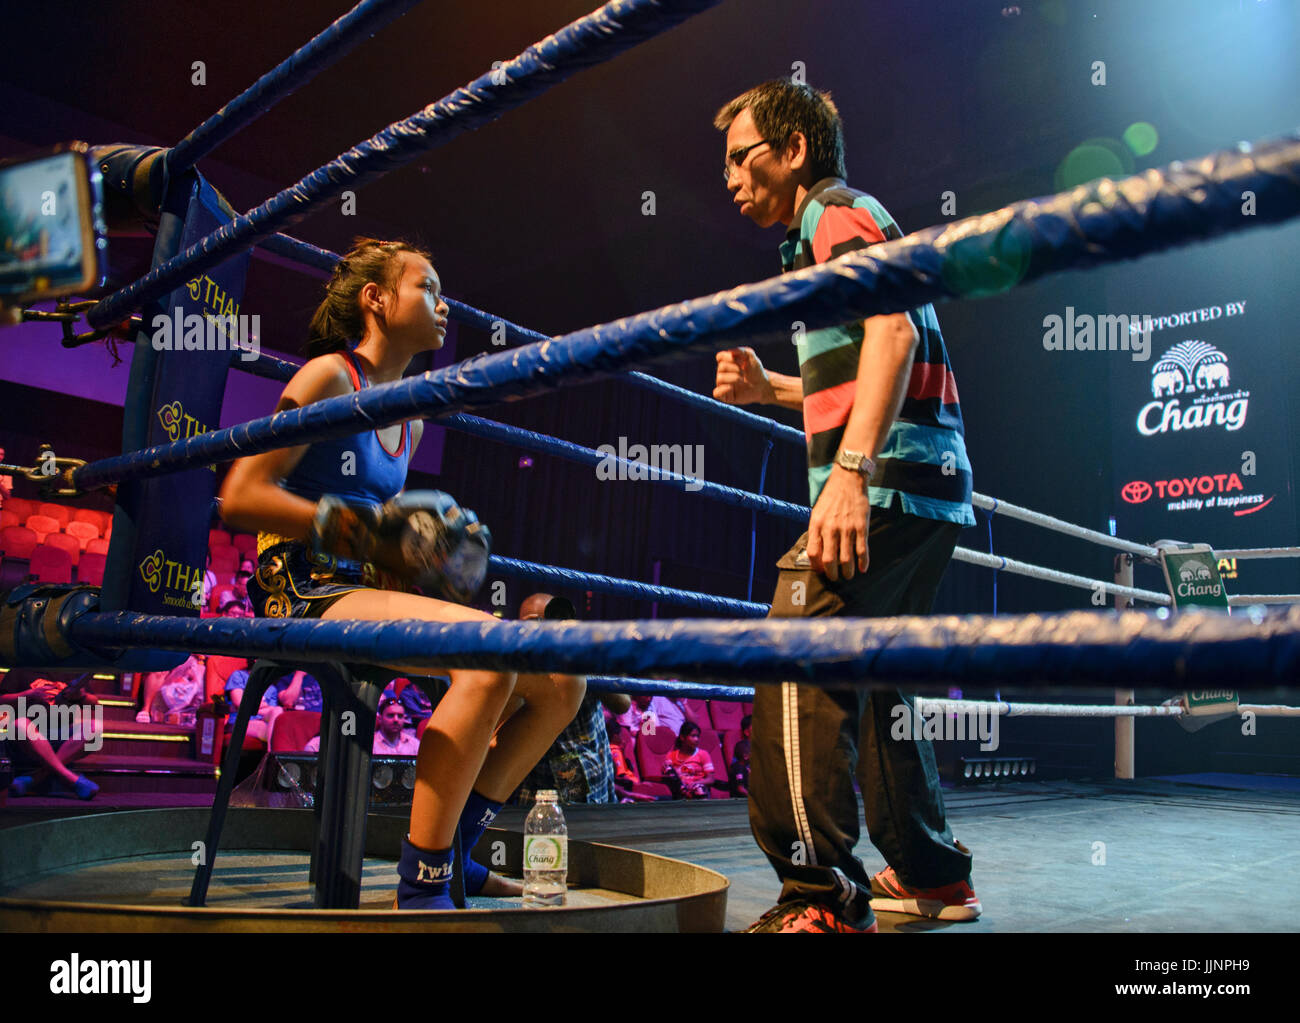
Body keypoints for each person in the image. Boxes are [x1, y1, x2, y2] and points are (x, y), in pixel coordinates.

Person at [218, 237, 586, 908]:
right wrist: (363, 532)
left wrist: (432, 562)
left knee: (562, 679)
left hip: (359, 592)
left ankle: (457, 852)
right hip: (298, 586)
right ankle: (422, 888)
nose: (444, 304)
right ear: (377, 299)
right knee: (489, 657)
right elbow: (241, 494)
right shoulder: (330, 376)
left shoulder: (408, 419)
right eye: (428, 288)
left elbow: (390, 551)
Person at [711, 80, 980, 932]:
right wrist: (776, 389)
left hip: (889, 479)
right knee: (880, 673)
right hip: (928, 483)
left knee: (796, 650)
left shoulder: (835, 211)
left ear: (793, 152)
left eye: (742, 157)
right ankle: (932, 874)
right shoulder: (816, 241)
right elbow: (867, 364)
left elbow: (894, 331)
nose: (728, 178)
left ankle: (820, 895)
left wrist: (852, 474)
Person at [511, 593, 629, 805]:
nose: (539, 631)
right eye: (531, 624)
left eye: (546, 622)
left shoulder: (585, 650)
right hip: (534, 770)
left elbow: (622, 703)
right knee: (537, 830)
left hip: (582, 765)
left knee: (584, 829)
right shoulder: (515, 660)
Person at [1, 668, 100, 799]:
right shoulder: (20, 669)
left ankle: (33, 778)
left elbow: (94, 703)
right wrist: (30, 694)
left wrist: (81, 696)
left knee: (95, 727)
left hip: (62, 736)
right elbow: (2, 700)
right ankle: (71, 778)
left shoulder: (72, 670)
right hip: (27, 736)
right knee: (20, 724)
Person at [662, 721, 714, 799]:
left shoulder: (703, 754)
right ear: (682, 737)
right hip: (679, 789)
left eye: (698, 736)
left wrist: (695, 783)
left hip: (697, 789)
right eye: (693, 736)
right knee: (667, 768)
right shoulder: (671, 755)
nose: (696, 739)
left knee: (699, 789)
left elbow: (711, 779)